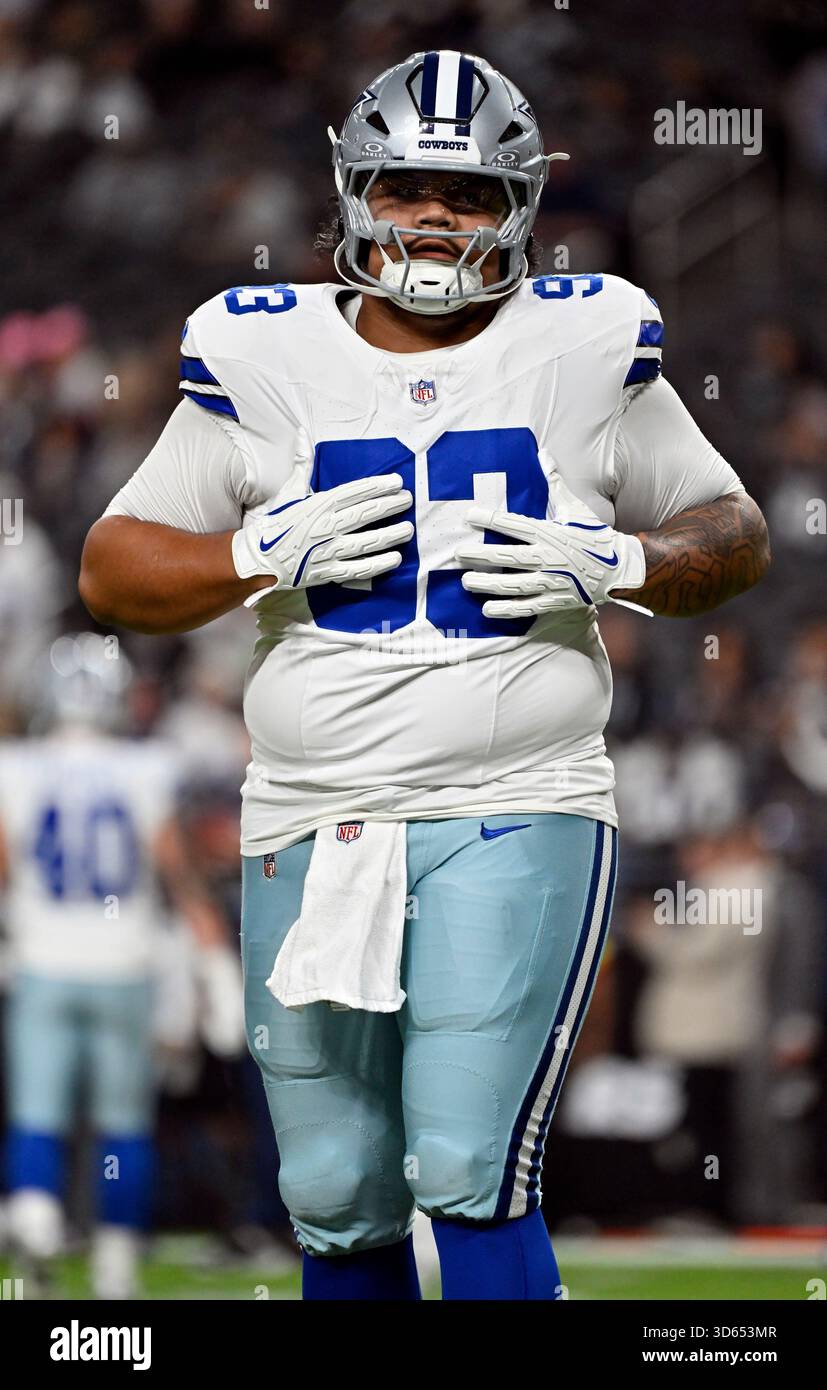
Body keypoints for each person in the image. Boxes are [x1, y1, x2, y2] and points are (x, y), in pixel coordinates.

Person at [79, 51, 770, 1300]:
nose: (432, 218)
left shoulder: (588, 335)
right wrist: (250, 550)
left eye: (463, 191)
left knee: (464, 1161)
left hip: (515, 793)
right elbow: (113, 573)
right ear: (354, 192)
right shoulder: (258, 350)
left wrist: (619, 558)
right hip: (306, 806)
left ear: (517, 205)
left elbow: (733, 534)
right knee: (333, 1191)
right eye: (404, 186)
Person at [0, 633, 243, 1298]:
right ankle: (115, 1264)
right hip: (123, 965)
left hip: (43, 963)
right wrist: (216, 963)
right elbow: (181, 877)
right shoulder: (146, 767)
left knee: (37, 1117)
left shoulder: (15, 768)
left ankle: (37, 1215)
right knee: (123, 1127)